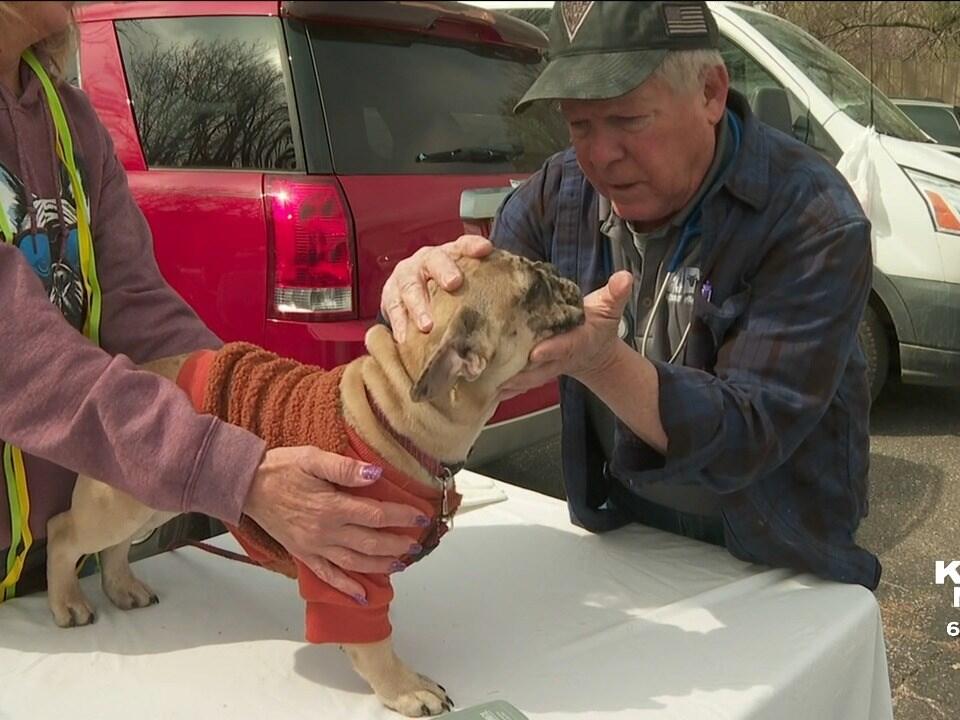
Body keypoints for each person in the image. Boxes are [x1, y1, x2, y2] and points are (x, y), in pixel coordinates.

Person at [381, 1, 880, 589]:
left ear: (711, 93)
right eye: (579, 124)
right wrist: (424, 294)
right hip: (624, 532)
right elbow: (478, 316)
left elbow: (751, 431)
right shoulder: (557, 194)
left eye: (628, 119)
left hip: (776, 552)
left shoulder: (811, 218)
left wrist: (599, 361)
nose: (600, 155)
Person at [0, 1, 428, 606]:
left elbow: (140, 307)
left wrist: (265, 410)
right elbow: (28, 366)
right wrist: (236, 471)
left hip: (64, 544)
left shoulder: (67, 115)